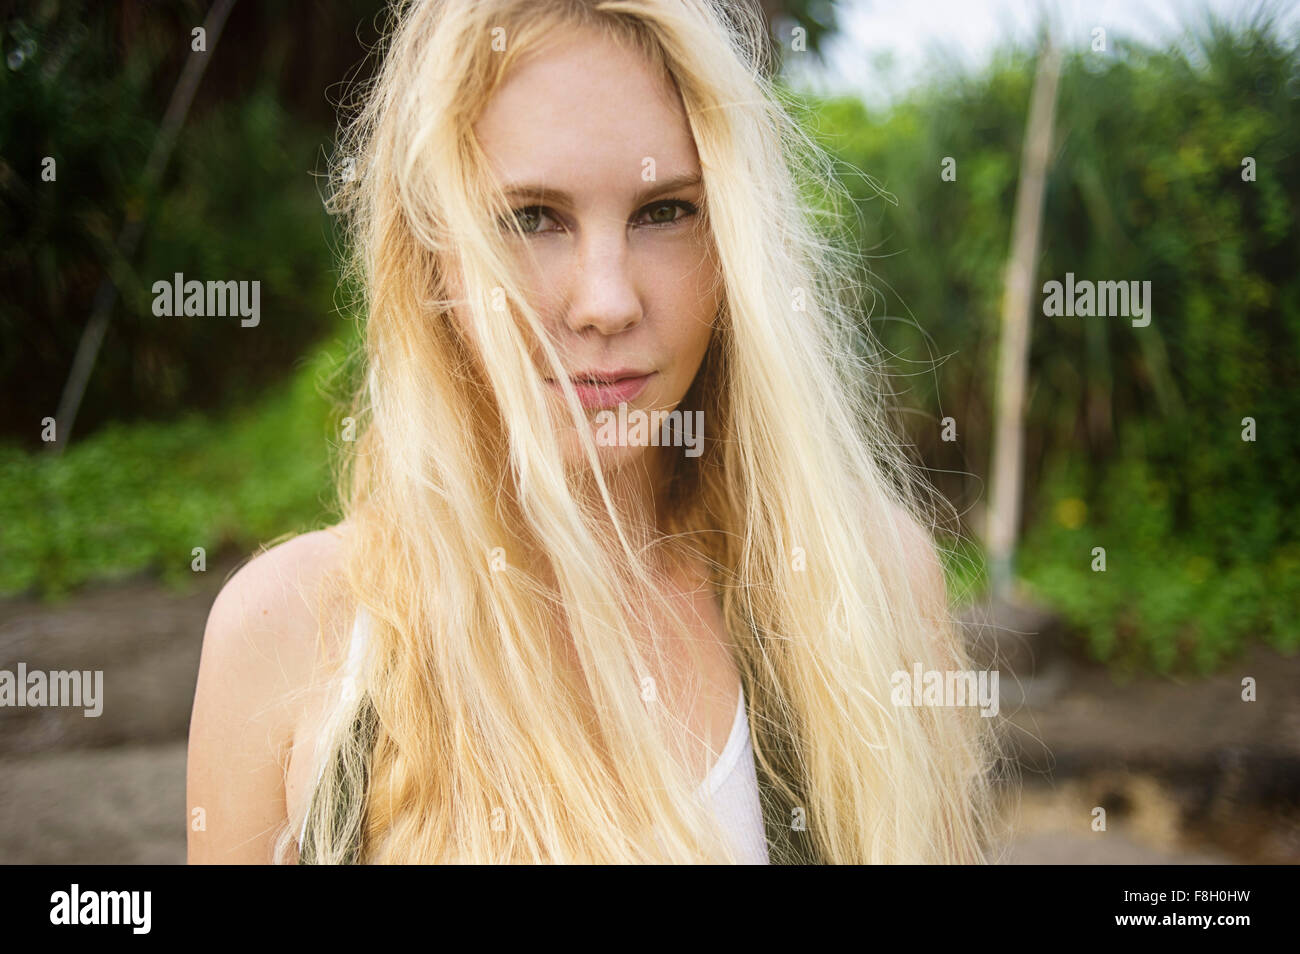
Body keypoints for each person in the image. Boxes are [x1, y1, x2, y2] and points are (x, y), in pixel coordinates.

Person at [186, 0, 1001, 864]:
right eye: (533, 218)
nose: (608, 301)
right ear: (430, 250)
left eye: (665, 213)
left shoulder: (873, 586)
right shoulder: (288, 636)